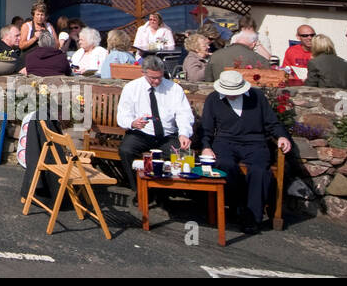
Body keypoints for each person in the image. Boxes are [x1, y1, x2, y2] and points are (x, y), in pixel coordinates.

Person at [201, 70, 292, 234]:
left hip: (255, 142)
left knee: (259, 170)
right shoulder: (213, 99)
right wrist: (206, 147)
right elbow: (206, 129)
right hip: (225, 141)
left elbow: (272, 123)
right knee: (224, 165)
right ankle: (239, 205)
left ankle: (252, 218)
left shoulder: (257, 97)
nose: (232, 95)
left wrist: (282, 137)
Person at [116, 55, 194, 192]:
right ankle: (139, 190)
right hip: (142, 134)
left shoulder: (174, 89)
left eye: (160, 77)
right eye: (153, 78)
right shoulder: (131, 88)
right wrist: (132, 123)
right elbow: (122, 116)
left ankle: (167, 191)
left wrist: (184, 134)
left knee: (183, 154)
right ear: (143, 73)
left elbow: (184, 114)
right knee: (125, 150)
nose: (157, 81)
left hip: (167, 135)